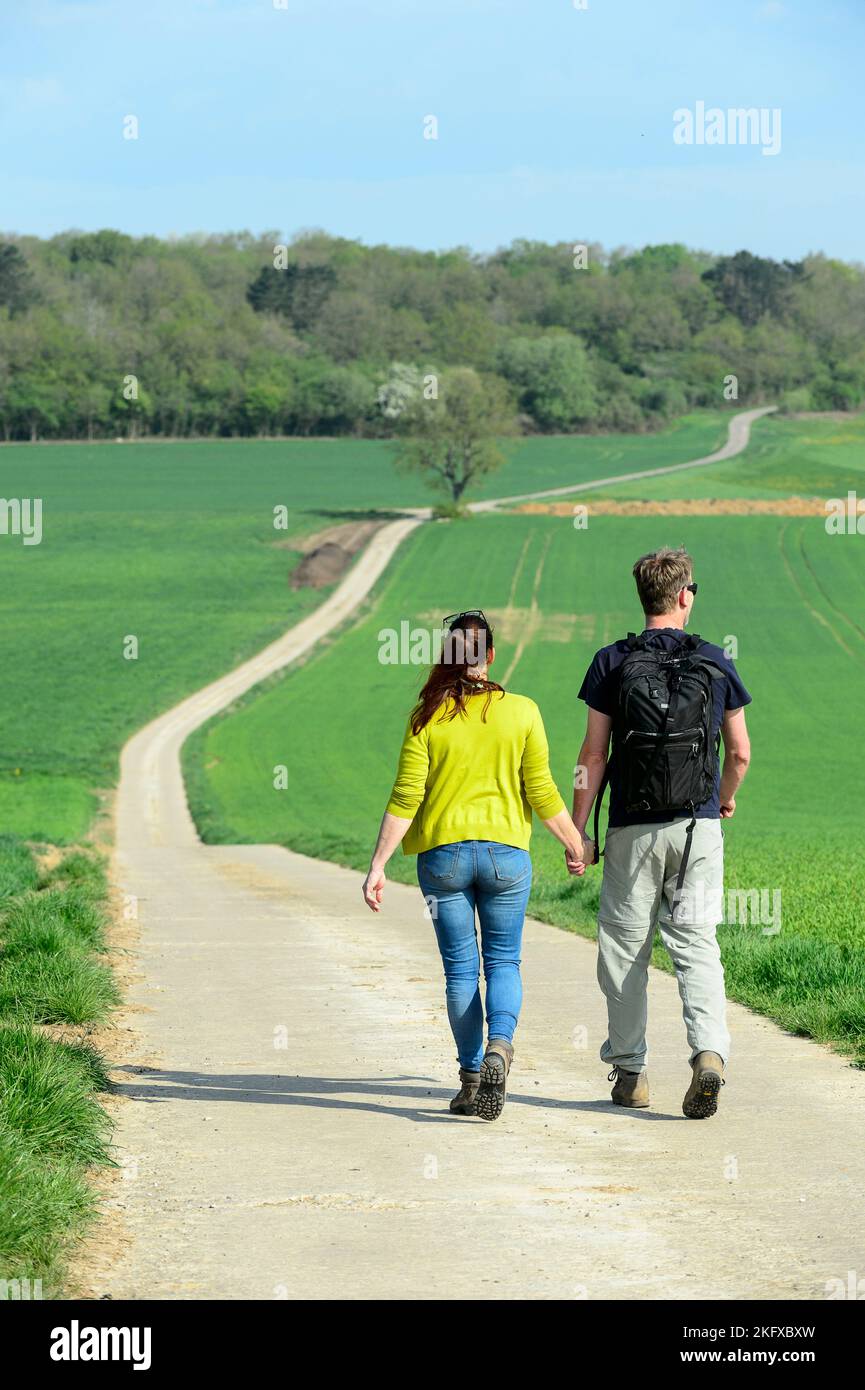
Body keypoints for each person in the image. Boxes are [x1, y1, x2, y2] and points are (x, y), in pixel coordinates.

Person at [362, 609, 588, 1121]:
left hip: (443, 859)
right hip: (507, 856)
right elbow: (541, 789)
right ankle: (499, 1049)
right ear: (489, 656)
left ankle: (469, 1080)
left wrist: (377, 865)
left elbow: (406, 796)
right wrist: (574, 843)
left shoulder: (427, 718)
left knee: (461, 970)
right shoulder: (523, 712)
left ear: (448, 656)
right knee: (503, 962)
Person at [570, 548, 751, 1118]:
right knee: (695, 943)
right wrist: (722, 801)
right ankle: (708, 1057)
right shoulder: (716, 662)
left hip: (631, 828)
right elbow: (741, 753)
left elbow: (592, 756)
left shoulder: (612, 662)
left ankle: (630, 1073)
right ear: (683, 596)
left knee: (626, 949)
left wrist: (580, 830)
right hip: (697, 827)